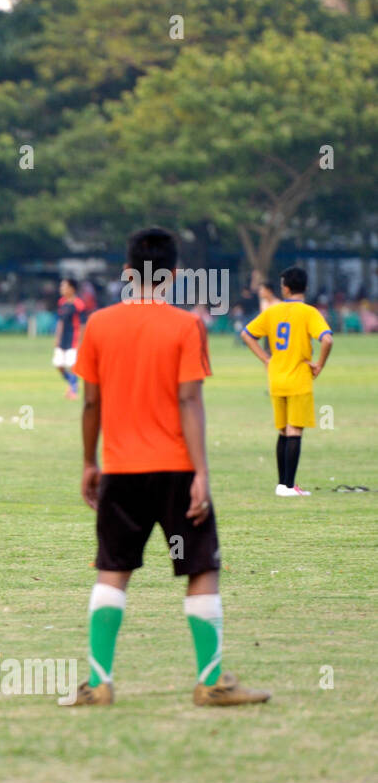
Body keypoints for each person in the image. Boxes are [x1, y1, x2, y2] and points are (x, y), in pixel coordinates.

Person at [67, 226, 270, 707]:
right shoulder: (186, 326)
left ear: (127, 272)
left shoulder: (98, 325)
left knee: (112, 571)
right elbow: (189, 399)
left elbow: (90, 404)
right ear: (175, 275)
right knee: (201, 569)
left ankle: (98, 684)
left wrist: (88, 462)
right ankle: (211, 681)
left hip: (119, 470)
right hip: (176, 469)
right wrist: (201, 472)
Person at [240, 266, 333, 497]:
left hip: (277, 377)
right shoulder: (309, 313)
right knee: (295, 431)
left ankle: (282, 484)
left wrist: (266, 359)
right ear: (306, 287)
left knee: (282, 431)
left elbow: (247, 334)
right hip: (298, 377)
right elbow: (327, 340)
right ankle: (290, 487)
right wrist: (319, 364)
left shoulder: (273, 312)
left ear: (285, 287)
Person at [53, 278, 86, 399]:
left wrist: (80, 342)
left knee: (72, 366)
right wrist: (57, 337)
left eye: (64, 286)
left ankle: (73, 390)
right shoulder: (62, 302)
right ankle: (72, 382)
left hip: (74, 339)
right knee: (58, 365)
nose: (61, 289)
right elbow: (60, 321)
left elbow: (83, 325)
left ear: (71, 289)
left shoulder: (79, 304)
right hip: (63, 339)